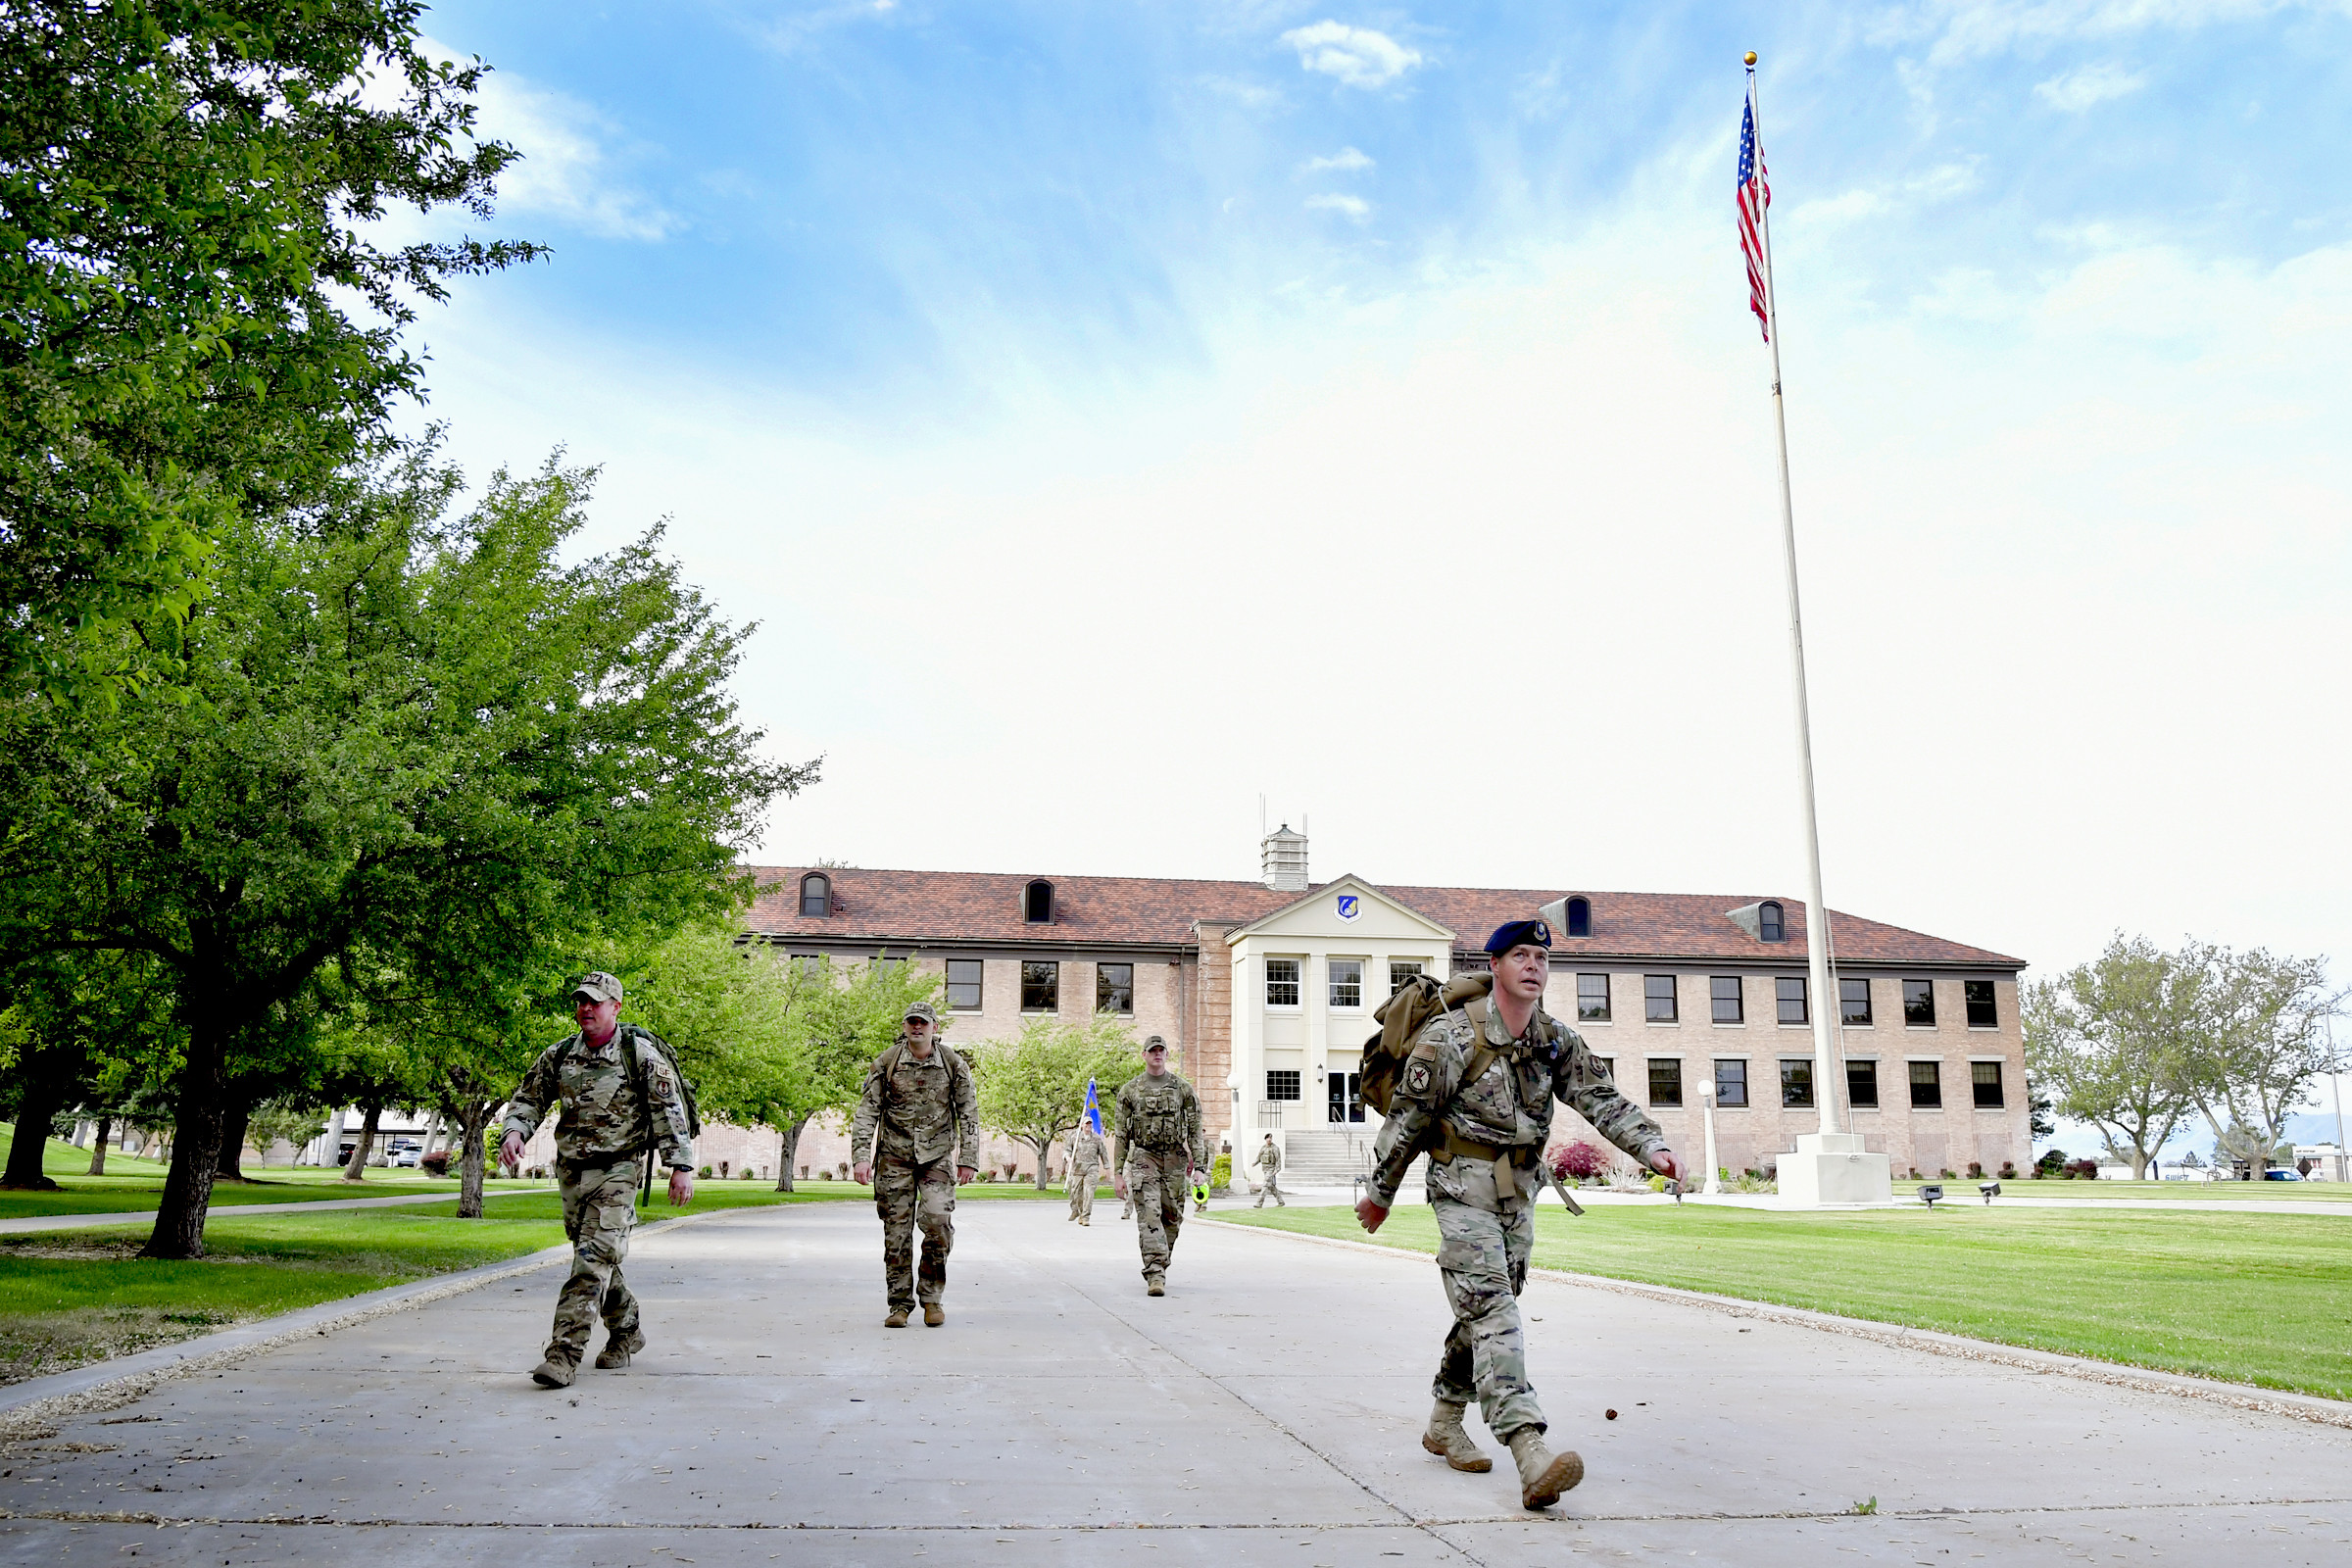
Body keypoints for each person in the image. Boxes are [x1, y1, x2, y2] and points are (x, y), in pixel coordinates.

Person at [1355, 919, 1689, 1511]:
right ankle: (1528, 1447)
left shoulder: (1552, 1038)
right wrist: (1379, 1192)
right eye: (1520, 956)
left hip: (1519, 1190)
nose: (1534, 965)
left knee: (1486, 1307)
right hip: (1460, 1186)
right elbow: (1406, 1119)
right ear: (1496, 966)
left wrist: (1650, 1147)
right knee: (1493, 1310)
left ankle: (1444, 1419)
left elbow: (1597, 1095)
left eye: (1541, 956)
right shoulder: (1450, 1038)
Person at [500, 971, 695, 1389]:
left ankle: (563, 1356)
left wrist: (679, 1166)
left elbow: (669, 1112)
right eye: (581, 1001)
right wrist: (514, 1131)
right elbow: (529, 1098)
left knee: (590, 1262)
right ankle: (627, 1331)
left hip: (619, 1170)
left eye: (596, 1002)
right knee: (598, 1258)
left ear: (616, 1007)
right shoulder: (559, 1055)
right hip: (572, 1171)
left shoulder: (638, 1055)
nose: (586, 1008)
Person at [851, 1002, 979, 1327]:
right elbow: (867, 1111)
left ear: (935, 1028)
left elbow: (968, 1112)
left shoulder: (953, 1064)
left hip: (936, 1156)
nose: (917, 1027)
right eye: (911, 1023)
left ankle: (932, 1298)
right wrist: (861, 1157)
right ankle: (899, 1304)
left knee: (937, 1222)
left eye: (923, 1022)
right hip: (895, 1158)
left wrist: (968, 1159)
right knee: (896, 1234)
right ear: (905, 1027)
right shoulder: (886, 1062)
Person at [1111, 1035, 1205, 1297]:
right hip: (1144, 1157)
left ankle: (1161, 1261)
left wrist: (1199, 1166)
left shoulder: (1183, 1089)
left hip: (1175, 1159)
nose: (1157, 1054)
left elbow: (1196, 1130)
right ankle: (1155, 1272)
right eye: (1152, 1051)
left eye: (1161, 1050)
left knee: (1172, 1217)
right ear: (1144, 1055)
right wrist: (1118, 1173)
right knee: (1149, 1215)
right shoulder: (1130, 1091)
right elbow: (1121, 1135)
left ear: (1166, 1055)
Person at [1065, 1122, 1108, 1225]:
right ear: (1082, 1125)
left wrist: (1107, 1167)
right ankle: (1079, 1212)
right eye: (1086, 1124)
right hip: (1077, 1169)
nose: (1088, 1126)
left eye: (1090, 1124)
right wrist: (1067, 1158)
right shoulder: (1074, 1137)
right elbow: (1067, 1150)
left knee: (1089, 1193)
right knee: (1075, 1193)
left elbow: (1103, 1152)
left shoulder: (1096, 1138)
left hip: (1091, 1168)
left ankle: (1085, 1217)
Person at [1252, 1133, 1286, 1208]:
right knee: (1271, 1186)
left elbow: (1278, 1160)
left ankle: (1259, 1203)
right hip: (1265, 1169)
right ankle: (1281, 1201)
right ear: (1265, 1139)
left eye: (1270, 1138)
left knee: (1265, 1185)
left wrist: (1277, 1169)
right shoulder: (1263, 1148)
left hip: (1271, 1169)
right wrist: (1255, 1163)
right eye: (1267, 1138)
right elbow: (1259, 1156)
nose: (1269, 1139)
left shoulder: (1275, 1148)